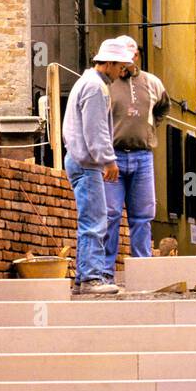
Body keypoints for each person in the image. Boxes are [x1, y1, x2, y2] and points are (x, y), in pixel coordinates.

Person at [62, 38, 134, 295]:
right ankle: (91, 278)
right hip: (87, 162)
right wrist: (108, 159)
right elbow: (96, 129)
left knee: (92, 219)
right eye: (120, 67)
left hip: (80, 160)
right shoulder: (95, 88)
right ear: (110, 63)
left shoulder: (88, 83)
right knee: (94, 221)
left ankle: (85, 277)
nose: (121, 72)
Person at [103, 35, 171, 279]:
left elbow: (164, 107)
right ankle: (105, 272)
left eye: (130, 56)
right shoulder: (107, 83)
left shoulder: (152, 83)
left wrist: (151, 127)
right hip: (113, 156)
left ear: (136, 56)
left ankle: (143, 271)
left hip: (143, 156)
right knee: (110, 215)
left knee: (143, 216)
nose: (126, 61)